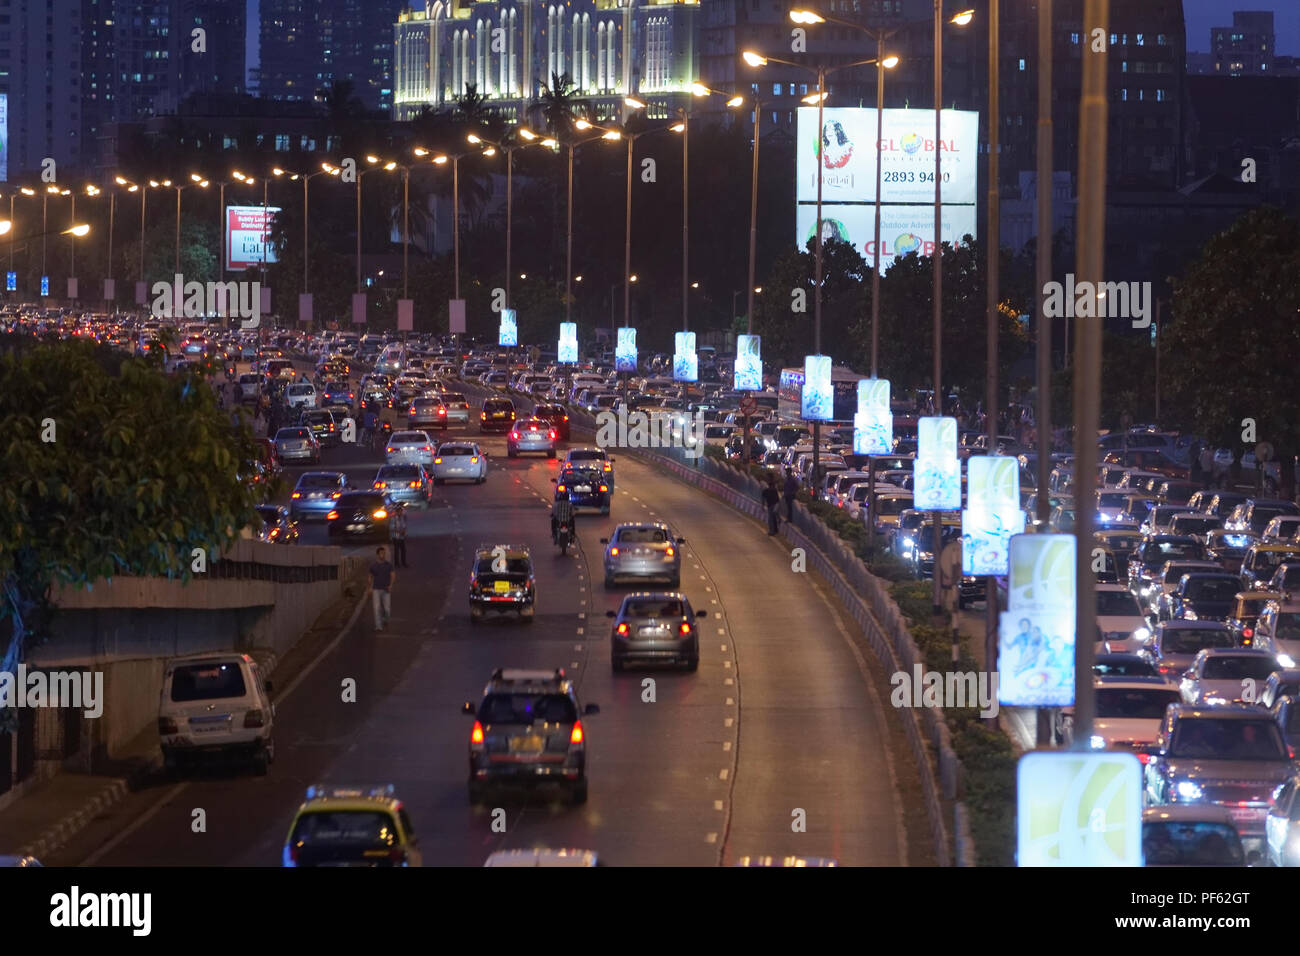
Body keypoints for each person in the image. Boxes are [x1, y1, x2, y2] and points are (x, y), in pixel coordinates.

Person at [369, 545, 395, 631]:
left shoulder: (389, 565)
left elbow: (393, 575)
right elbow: (370, 576)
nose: (382, 555)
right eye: (381, 553)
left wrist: (391, 585)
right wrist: (369, 587)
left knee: (387, 609)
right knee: (376, 608)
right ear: (377, 555)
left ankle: (385, 619)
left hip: (386, 589)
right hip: (376, 589)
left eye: (384, 553)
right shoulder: (373, 566)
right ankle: (378, 626)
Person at [390, 503, 409, 568]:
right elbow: (392, 528)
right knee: (397, 551)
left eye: (401, 511)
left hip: (401, 537)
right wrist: (400, 531)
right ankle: (397, 564)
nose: (401, 512)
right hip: (396, 537)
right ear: (397, 512)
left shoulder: (402, 518)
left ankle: (403, 563)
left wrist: (404, 531)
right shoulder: (394, 519)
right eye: (400, 511)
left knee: (403, 550)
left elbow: (404, 525)